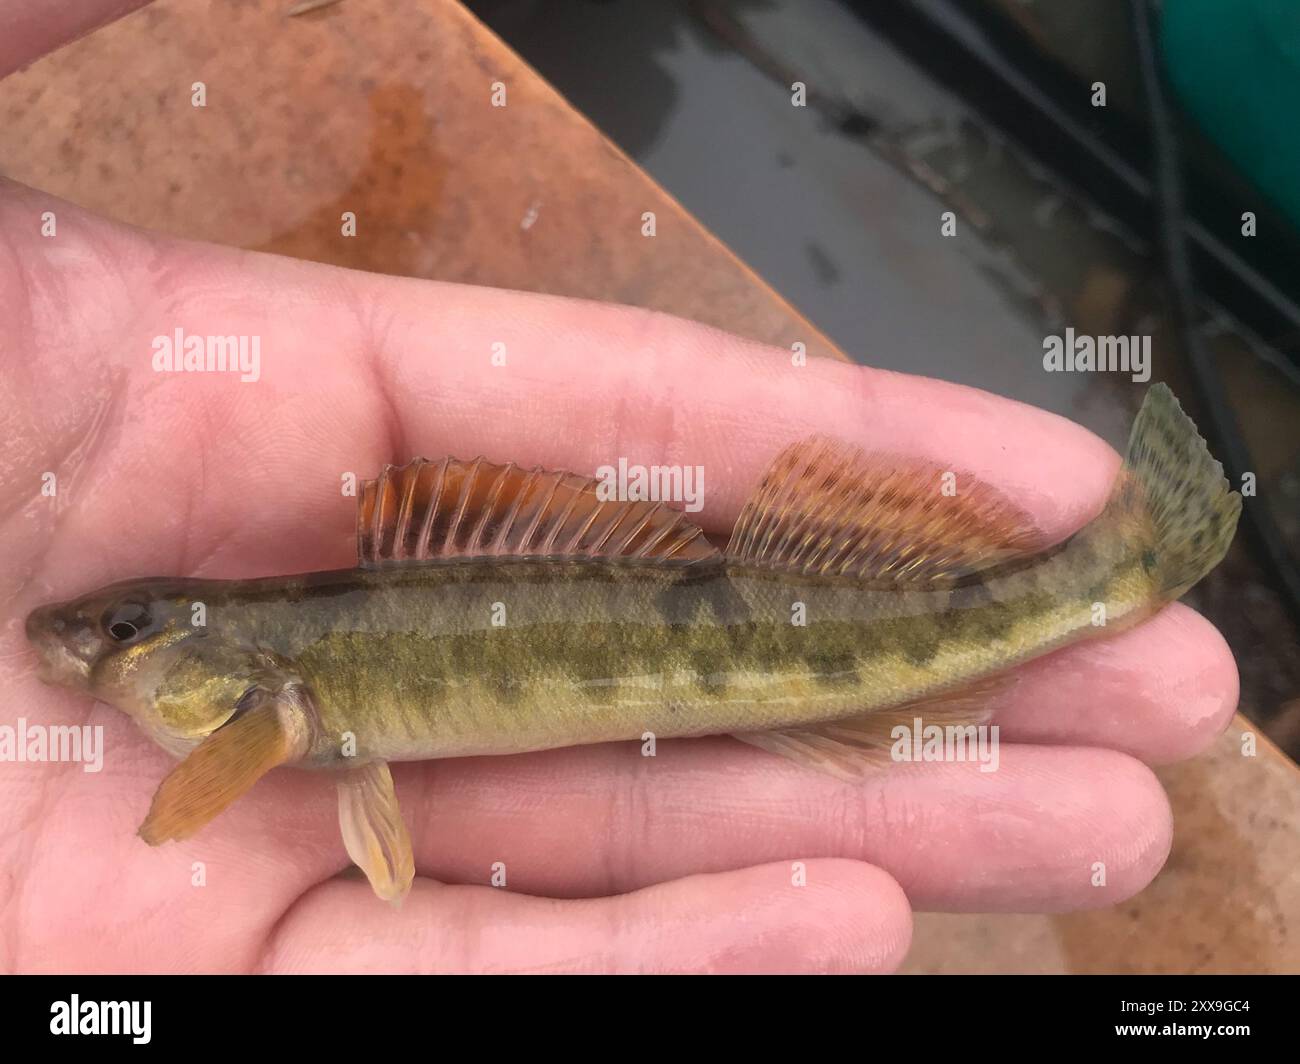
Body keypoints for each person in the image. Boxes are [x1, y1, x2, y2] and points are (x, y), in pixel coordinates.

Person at [0, 1, 1237, 974]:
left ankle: (1098, 580)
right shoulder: (279, 702)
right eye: (118, 624)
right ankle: (1094, 583)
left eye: (126, 630)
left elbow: (180, 811)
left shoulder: (270, 701)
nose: (92, 643)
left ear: (227, 662)